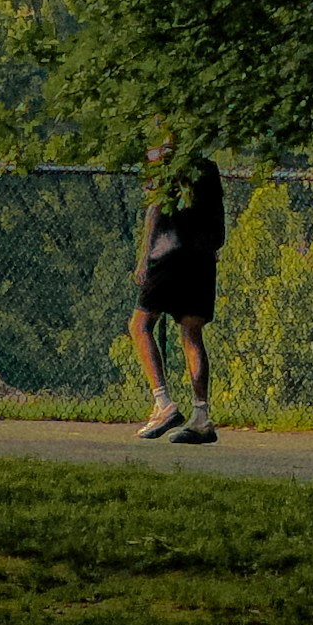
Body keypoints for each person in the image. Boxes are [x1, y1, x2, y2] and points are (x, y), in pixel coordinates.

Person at [128, 131, 226, 443]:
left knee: (140, 324)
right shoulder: (207, 169)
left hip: (169, 252)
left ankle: (163, 403)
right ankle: (201, 415)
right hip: (202, 258)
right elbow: (216, 224)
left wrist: (144, 257)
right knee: (191, 332)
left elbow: (155, 209)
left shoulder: (163, 164)